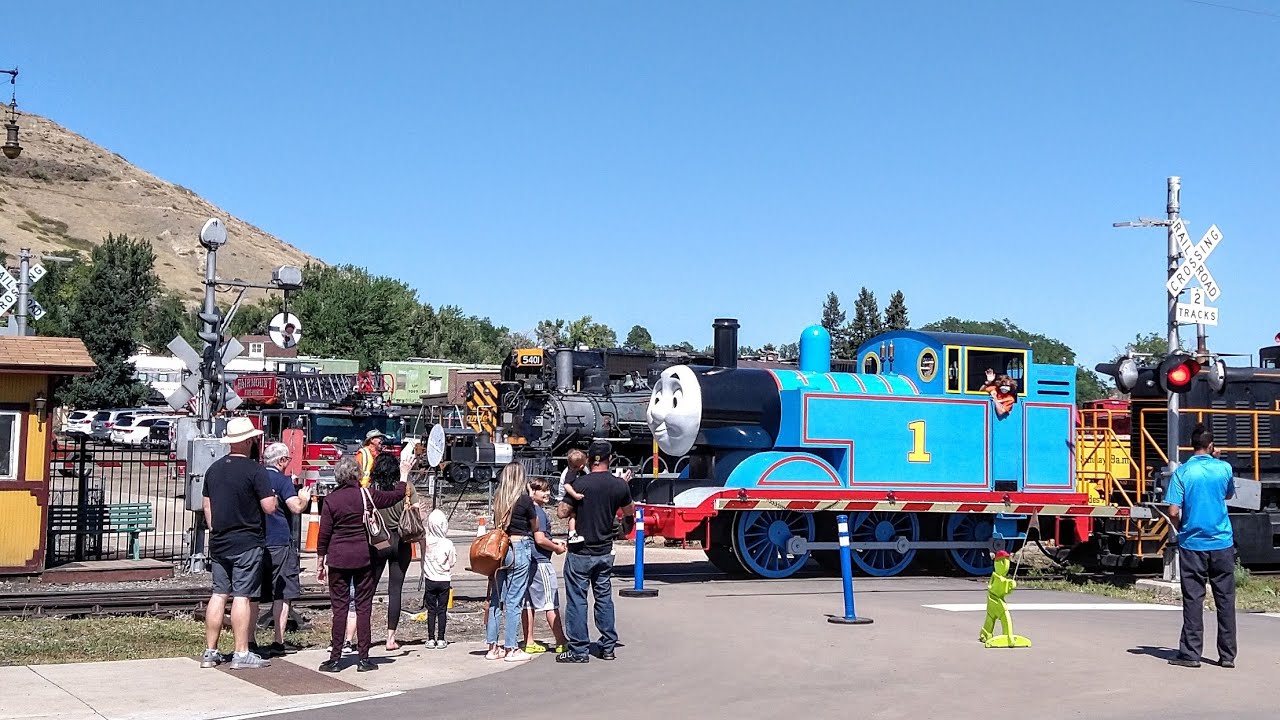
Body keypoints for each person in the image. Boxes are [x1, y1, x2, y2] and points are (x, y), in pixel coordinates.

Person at [316, 457, 406, 672]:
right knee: (364, 607)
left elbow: (324, 534)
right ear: (356, 474)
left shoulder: (331, 500)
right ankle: (364, 659)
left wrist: (320, 561)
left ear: (338, 476)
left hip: (338, 559)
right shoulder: (367, 496)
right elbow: (396, 496)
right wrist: (403, 474)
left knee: (340, 609)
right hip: (364, 557)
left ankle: (336, 658)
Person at [201, 417, 277, 670]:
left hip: (220, 540)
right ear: (247, 441)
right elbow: (268, 507)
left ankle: (210, 651)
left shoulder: (214, 469)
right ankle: (241, 652)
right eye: (253, 438)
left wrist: (215, 528)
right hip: (247, 540)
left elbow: (207, 505)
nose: (256, 441)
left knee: (219, 593)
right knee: (242, 596)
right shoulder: (256, 471)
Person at [556, 439, 635, 664]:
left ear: (589, 459)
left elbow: (562, 512)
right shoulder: (619, 485)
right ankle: (608, 646)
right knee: (603, 598)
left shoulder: (580, 484)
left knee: (577, 600)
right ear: (610, 459)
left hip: (580, 551)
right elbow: (630, 511)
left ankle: (579, 650)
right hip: (604, 550)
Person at [1166, 423, 1237, 669]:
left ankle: (1191, 654)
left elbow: (1173, 511)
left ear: (1191, 446)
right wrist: (1216, 459)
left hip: (1193, 542)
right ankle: (1227, 656)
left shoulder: (1182, 472)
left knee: (1194, 598)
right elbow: (1228, 496)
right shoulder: (1225, 469)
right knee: (1225, 598)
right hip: (1222, 542)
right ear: (1211, 446)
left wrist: (1182, 525)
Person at [368, 452, 423, 651]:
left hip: (379, 541)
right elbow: (417, 511)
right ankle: (390, 638)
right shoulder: (407, 488)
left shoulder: (372, 490)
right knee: (395, 590)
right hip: (401, 541)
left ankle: (361, 634)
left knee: (369, 589)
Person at [485, 463, 538, 662]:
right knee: (515, 600)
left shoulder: (499, 497)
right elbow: (535, 525)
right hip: (520, 546)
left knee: (497, 599)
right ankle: (511, 648)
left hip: (502, 548)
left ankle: (492, 647)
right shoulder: (524, 499)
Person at [261, 442, 310, 656]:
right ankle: (278, 640)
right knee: (281, 592)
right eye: (288, 459)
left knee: (252, 594)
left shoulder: (257, 477)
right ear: (281, 461)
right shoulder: (282, 481)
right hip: (279, 540)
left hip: (257, 540)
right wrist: (305, 498)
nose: (288, 463)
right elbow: (295, 507)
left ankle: (250, 640)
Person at [522, 477, 568, 654]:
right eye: (542, 490)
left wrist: (552, 540)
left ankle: (529, 641)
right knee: (550, 603)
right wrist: (556, 548)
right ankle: (561, 641)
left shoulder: (527, 510)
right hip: (541, 562)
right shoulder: (538, 511)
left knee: (528, 604)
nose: (547, 493)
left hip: (528, 562)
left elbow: (536, 537)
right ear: (532, 492)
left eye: (548, 489)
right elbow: (540, 539)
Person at [420, 509, 456, 649]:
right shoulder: (448, 543)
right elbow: (452, 561)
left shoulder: (426, 541)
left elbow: (418, 532)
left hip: (430, 579)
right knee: (442, 610)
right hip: (444, 580)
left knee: (431, 610)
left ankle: (430, 638)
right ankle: (441, 638)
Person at [560, 449, 588, 544]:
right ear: (581, 465)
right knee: (573, 515)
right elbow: (566, 485)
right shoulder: (571, 472)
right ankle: (572, 533)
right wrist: (575, 495)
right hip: (572, 498)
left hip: (578, 498)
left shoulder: (580, 472)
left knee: (577, 515)